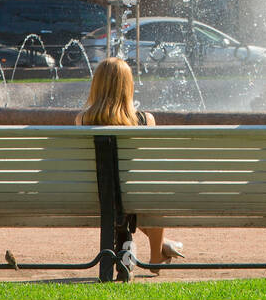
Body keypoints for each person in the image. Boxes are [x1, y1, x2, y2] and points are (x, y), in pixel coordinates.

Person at [75, 57, 184, 271]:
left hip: (97, 195)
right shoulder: (147, 120)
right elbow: (151, 165)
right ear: (129, 86)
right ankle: (156, 256)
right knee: (152, 191)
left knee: (117, 195)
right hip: (137, 194)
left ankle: (141, 247)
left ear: (96, 85)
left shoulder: (82, 120)